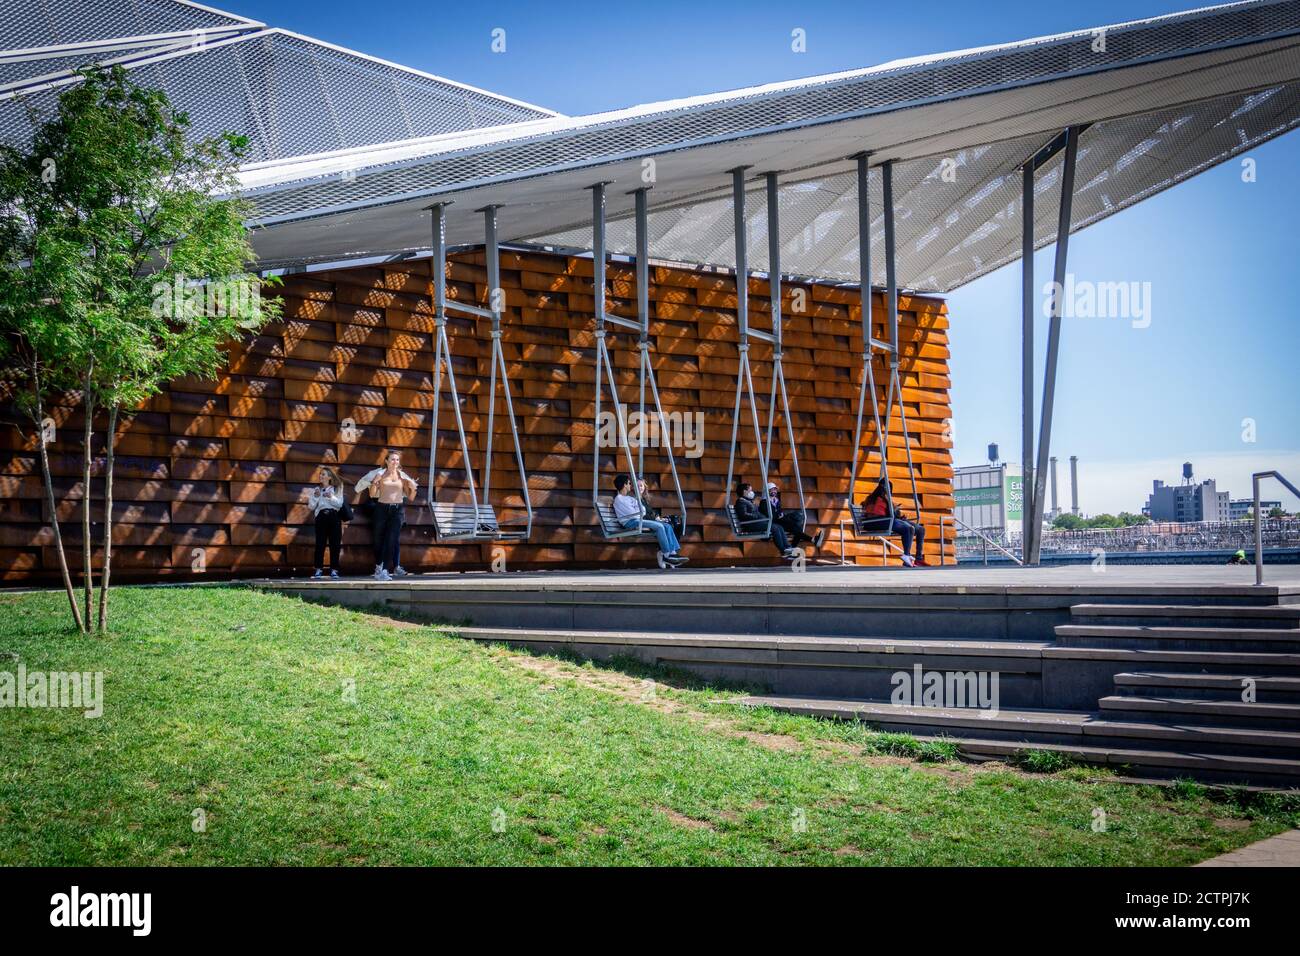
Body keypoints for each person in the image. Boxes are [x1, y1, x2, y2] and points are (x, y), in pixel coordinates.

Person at [361, 451, 418, 581]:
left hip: (397, 510)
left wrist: (413, 487)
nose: (395, 462)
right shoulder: (380, 474)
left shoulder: (402, 476)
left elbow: (411, 497)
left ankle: (385, 571)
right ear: (386, 461)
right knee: (378, 539)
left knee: (392, 540)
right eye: (392, 459)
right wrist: (375, 483)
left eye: (397, 460)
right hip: (381, 509)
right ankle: (379, 566)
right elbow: (372, 494)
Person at [614, 473, 687, 568]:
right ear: (624, 485)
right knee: (660, 526)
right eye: (629, 483)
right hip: (631, 523)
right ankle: (667, 555)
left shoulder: (628, 498)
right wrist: (639, 510)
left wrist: (639, 510)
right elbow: (635, 513)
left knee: (667, 525)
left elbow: (642, 510)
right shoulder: (619, 499)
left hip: (637, 520)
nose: (630, 485)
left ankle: (673, 553)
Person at [858, 476, 928, 567]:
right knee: (908, 528)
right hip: (876, 522)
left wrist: (898, 515)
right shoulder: (879, 498)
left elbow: (890, 514)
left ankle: (918, 558)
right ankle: (907, 555)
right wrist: (896, 511)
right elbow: (884, 514)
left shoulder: (880, 498)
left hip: (883, 520)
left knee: (920, 529)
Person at [734, 481, 798, 560]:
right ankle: (783, 551)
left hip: (756, 523)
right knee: (774, 527)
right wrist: (758, 517)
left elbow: (755, 512)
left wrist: (761, 517)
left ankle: (788, 548)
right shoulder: (741, 502)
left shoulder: (748, 501)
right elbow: (743, 515)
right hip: (750, 525)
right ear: (744, 492)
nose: (752, 492)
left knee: (779, 527)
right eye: (750, 490)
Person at [761, 480, 826, 552]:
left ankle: (809, 541)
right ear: (767, 491)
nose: (774, 491)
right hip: (772, 523)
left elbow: (779, 511)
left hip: (780, 520)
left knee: (797, 522)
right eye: (771, 490)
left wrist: (780, 515)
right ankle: (808, 541)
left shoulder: (776, 500)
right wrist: (779, 515)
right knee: (795, 525)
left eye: (775, 489)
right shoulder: (764, 502)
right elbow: (770, 515)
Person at [308, 467, 346, 579]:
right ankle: (318, 569)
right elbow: (311, 506)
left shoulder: (337, 488)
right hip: (321, 517)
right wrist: (315, 496)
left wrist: (331, 497)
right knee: (320, 543)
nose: (321, 476)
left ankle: (334, 570)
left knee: (335, 544)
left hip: (334, 517)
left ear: (329, 477)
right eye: (320, 474)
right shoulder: (317, 489)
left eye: (323, 474)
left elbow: (339, 504)